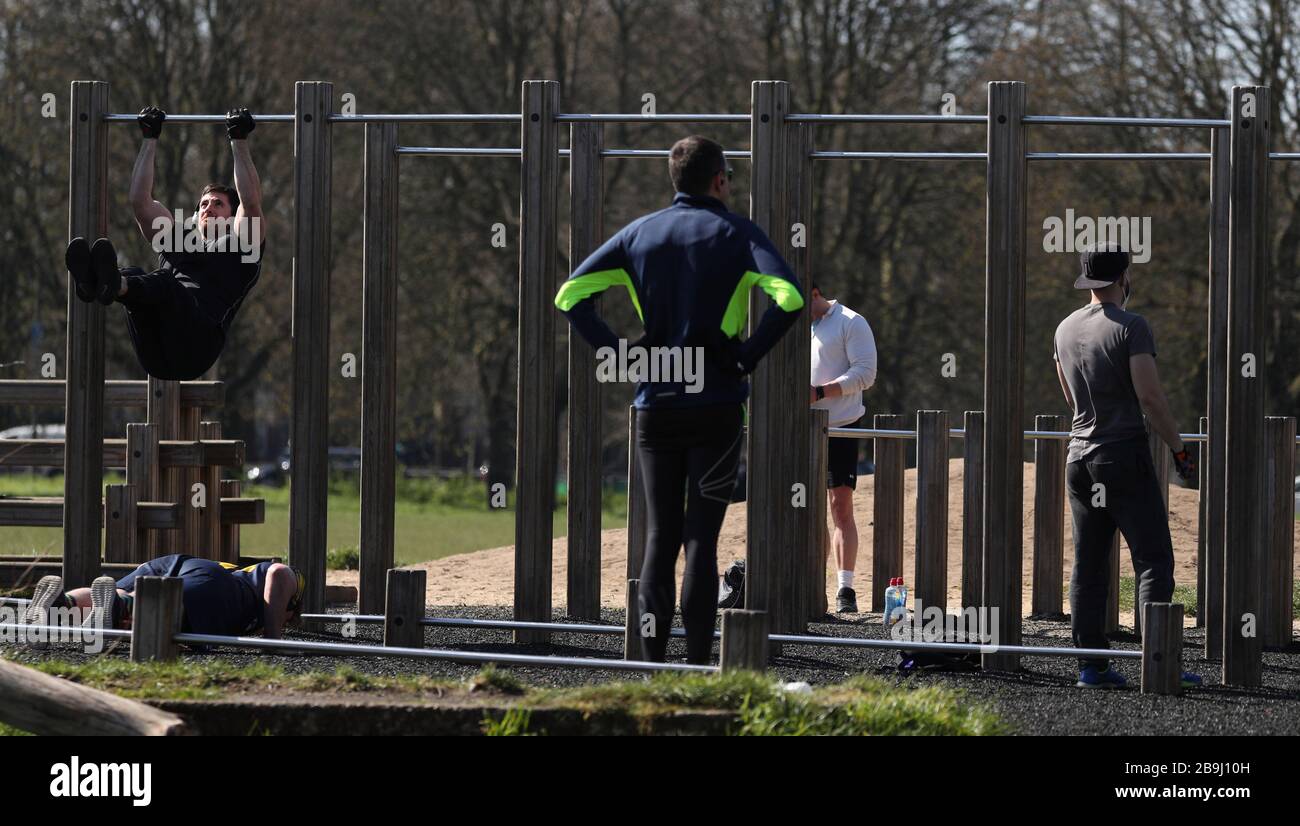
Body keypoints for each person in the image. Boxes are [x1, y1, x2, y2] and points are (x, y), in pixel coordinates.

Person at [555, 135, 803, 664]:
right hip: (716, 406)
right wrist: (748, 355)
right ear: (719, 180)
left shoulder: (639, 234)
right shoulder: (738, 233)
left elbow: (569, 296)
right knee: (701, 542)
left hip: (655, 405)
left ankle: (649, 665)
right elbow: (791, 296)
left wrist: (622, 356)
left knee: (659, 538)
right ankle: (696, 665)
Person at [1052, 245, 1200, 689]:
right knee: (1153, 559)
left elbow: (1069, 395)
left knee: (1089, 563)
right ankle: (1159, 663)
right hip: (1122, 454)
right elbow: (1150, 399)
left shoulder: (1063, 329)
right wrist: (1178, 448)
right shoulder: (1132, 327)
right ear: (1123, 279)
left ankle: (1091, 667)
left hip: (1079, 457)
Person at [64, 106, 266, 381]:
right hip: (154, 356)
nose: (209, 208)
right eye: (204, 204)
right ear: (195, 216)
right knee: (134, 275)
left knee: (162, 284)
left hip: (197, 348)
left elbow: (251, 201)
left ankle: (111, 283)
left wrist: (238, 140)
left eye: (218, 205)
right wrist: (150, 138)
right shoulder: (178, 239)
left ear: (233, 218)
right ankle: (96, 282)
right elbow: (139, 201)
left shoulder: (244, 246)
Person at [24, 555, 303, 639]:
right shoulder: (284, 584)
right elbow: (280, 573)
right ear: (293, 606)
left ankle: (62, 604)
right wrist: (274, 636)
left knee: (117, 591)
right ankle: (121, 606)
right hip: (216, 585)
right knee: (152, 608)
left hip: (181, 564)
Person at [808, 282, 877, 613]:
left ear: (815, 292)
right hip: (801, 429)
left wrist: (820, 393)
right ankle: (809, 582)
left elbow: (865, 374)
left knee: (840, 507)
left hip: (841, 426)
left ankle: (845, 588)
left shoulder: (851, 321)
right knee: (803, 507)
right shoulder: (791, 325)